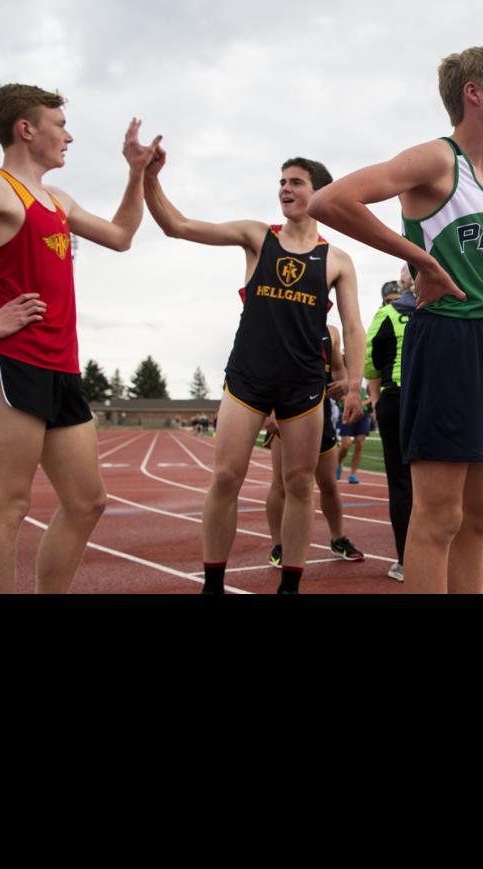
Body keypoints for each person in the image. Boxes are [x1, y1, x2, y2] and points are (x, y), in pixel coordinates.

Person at [309, 35, 483, 594]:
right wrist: (418, 259)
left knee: (481, 516)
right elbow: (330, 201)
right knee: (439, 517)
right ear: (474, 92)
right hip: (449, 341)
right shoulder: (439, 158)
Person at [0, 83, 155, 592]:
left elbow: (121, 237)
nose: (68, 136)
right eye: (60, 124)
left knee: (86, 502)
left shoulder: (56, 199)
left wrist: (136, 174)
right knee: (7, 508)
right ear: (27, 129)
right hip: (12, 362)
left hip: (62, 365)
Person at [144, 144, 365, 593]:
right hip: (248, 378)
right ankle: (213, 583)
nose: (284, 188)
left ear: (319, 193)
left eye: (295, 181)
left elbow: (354, 327)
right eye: (282, 181)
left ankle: (290, 585)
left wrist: (355, 383)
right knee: (226, 477)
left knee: (300, 484)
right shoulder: (256, 236)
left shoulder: (337, 260)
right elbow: (177, 226)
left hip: (304, 384)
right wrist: (149, 177)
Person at [262, 327, 366, 567]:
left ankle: (338, 538)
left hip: (320, 414)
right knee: (281, 484)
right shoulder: (281, 323)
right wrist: (268, 411)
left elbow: (339, 370)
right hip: (285, 414)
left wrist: (345, 384)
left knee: (328, 484)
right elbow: (264, 370)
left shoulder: (331, 332)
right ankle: (279, 544)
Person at [364, 270, 416, 580]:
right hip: (439, 400)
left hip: (396, 399)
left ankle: (407, 561)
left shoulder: (387, 314)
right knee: (445, 481)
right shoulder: (446, 307)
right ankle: (447, 556)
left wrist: (374, 400)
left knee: (401, 482)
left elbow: (370, 361)